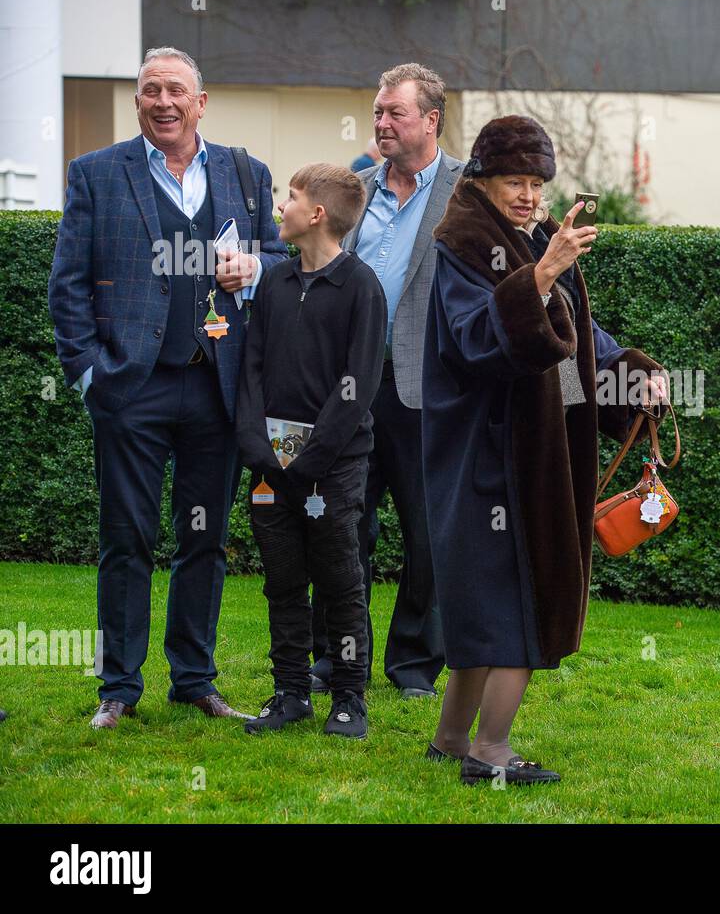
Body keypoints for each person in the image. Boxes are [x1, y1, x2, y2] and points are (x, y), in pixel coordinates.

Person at [421, 116, 668, 785]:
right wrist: (543, 271)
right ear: (481, 179)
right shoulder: (463, 243)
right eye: (514, 181)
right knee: (519, 607)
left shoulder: (525, 237)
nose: (528, 194)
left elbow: (577, 332)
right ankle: (490, 751)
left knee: (491, 606)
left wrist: (630, 372)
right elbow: (474, 338)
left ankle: (449, 739)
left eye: (535, 182)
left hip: (530, 453)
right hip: (490, 459)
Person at [48, 46, 287, 730]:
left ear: (200, 102)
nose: (163, 102)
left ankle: (194, 678)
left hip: (218, 389)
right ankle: (119, 686)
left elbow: (277, 255)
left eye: (176, 90)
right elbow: (67, 287)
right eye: (150, 90)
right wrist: (92, 375)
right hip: (133, 389)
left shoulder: (245, 172)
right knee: (125, 539)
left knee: (203, 540)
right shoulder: (96, 174)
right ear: (138, 103)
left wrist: (256, 268)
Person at [310, 64, 465, 700]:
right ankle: (334, 658)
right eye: (377, 112)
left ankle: (412, 667)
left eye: (394, 113)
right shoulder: (357, 190)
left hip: (427, 390)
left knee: (428, 536)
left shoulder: (467, 191)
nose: (381, 123)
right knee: (341, 526)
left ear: (429, 121)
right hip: (347, 388)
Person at [238, 163, 387, 738]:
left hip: (334, 469)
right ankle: (290, 693)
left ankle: (349, 697)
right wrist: (257, 445)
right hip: (269, 467)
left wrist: (313, 457)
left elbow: (358, 384)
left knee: (339, 581)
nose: (282, 207)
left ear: (317, 215)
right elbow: (251, 366)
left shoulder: (360, 288)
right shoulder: (274, 283)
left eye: (291, 197)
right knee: (281, 580)